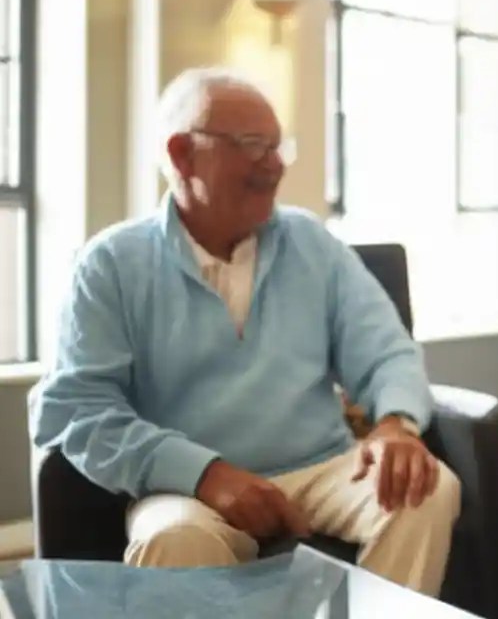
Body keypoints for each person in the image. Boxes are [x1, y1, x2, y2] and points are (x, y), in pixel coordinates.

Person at [28, 68, 461, 596]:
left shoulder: (313, 243)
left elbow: (387, 350)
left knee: (427, 492)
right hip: (184, 487)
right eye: (253, 145)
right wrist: (206, 474)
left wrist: (395, 425)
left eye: (279, 147)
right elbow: (76, 407)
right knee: (173, 540)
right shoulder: (110, 263)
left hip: (321, 467)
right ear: (183, 154)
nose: (275, 165)